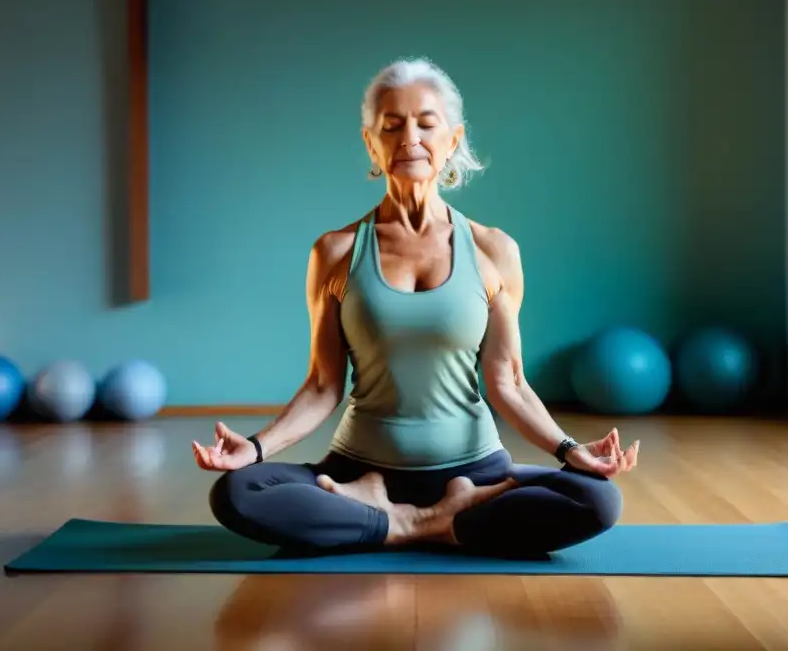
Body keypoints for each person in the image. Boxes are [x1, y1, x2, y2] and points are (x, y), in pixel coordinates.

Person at [194, 58, 640, 558]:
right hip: (359, 470)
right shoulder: (336, 253)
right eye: (391, 125)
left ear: (452, 139)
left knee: (597, 500)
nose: (410, 137)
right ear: (371, 143)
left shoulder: (495, 251)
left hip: (475, 471)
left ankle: (384, 522)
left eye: (426, 123)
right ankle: (436, 524)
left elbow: (508, 382)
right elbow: (323, 385)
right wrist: (253, 449)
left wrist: (569, 450)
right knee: (236, 493)